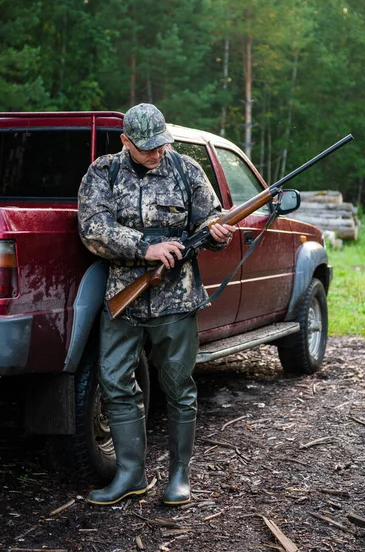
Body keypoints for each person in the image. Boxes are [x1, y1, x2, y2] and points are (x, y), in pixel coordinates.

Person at [78, 103, 235, 506]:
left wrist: (216, 232)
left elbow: (210, 220)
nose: (156, 153)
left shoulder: (185, 169)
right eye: (146, 147)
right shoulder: (103, 172)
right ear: (124, 141)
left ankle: (179, 475)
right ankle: (131, 475)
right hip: (123, 299)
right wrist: (147, 247)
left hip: (176, 299)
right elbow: (93, 229)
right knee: (114, 382)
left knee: (179, 385)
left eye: (161, 144)